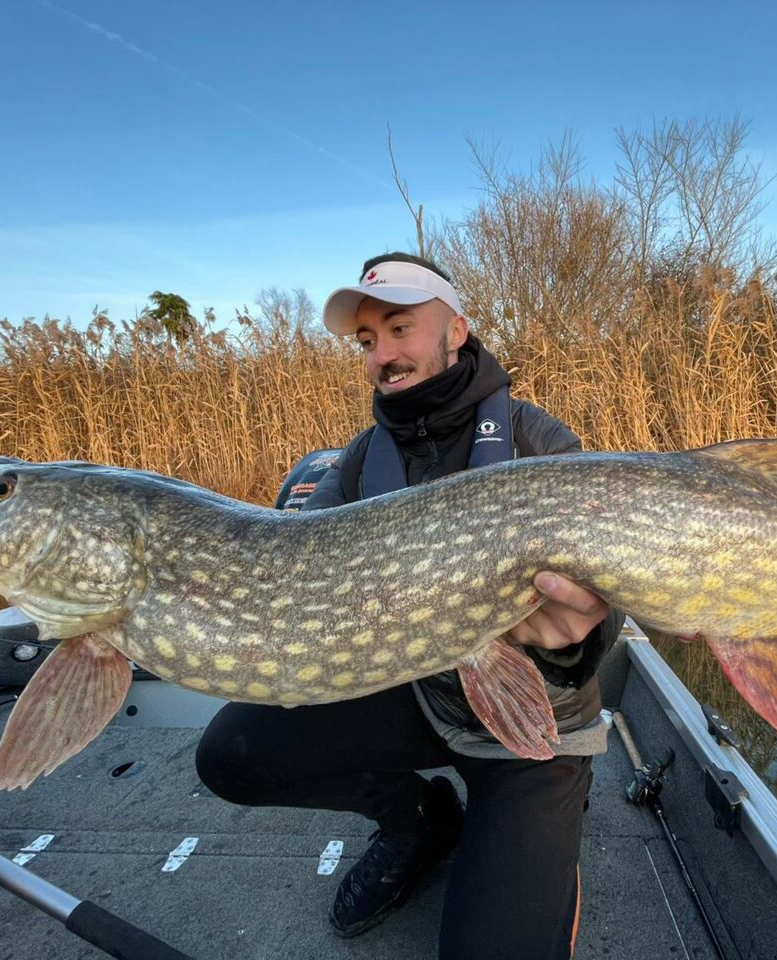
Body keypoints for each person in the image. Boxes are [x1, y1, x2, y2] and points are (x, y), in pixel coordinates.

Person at [196, 253, 623, 960]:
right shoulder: (361, 460)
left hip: (534, 722)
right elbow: (292, 570)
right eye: (368, 341)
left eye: (399, 328)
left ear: (456, 330)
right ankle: (419, 818)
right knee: (231, 756)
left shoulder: (537, 440)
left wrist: (579, 636)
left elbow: (613, 595)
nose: (382, 356)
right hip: (421, 693)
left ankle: (539, 833)